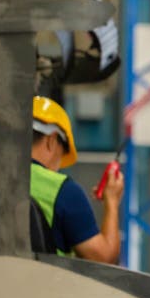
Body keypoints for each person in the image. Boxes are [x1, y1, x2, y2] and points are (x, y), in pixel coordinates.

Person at [32, 96, 123, 264]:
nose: (59, 166)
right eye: (62, 153)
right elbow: (104, 258)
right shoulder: (63, 191)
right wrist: (112, 201)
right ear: (51, 141)